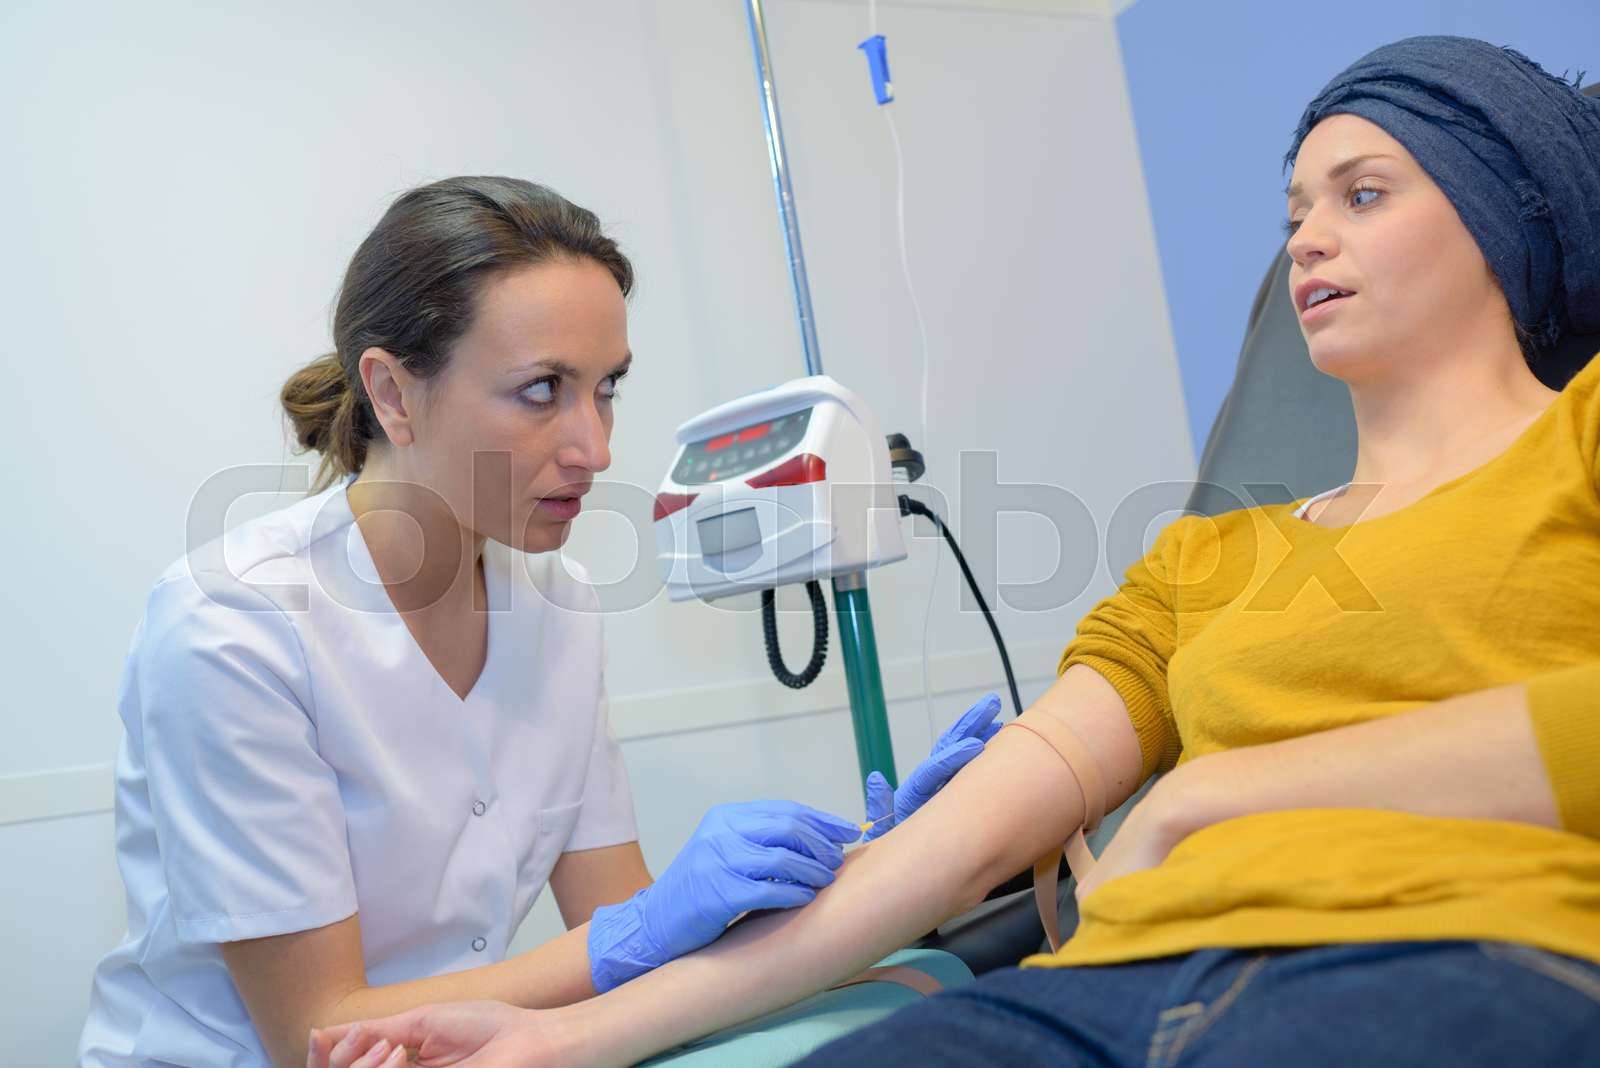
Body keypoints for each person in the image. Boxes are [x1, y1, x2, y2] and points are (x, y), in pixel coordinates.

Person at [311, 35, 1600, 1068]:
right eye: (1295, 208)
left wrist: (1219, 794)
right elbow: (955, 854)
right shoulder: (1209, 563)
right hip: (1100, 991)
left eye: (1363, 195)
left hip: (1456, 957)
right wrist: (564, 1041)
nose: (1306, 236)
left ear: (1507, 216)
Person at [76, 176, 1000, 1068]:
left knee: (916, 996)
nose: (596, 448)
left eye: (607, 388)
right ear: (394, 395)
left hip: (489, 1051)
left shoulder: (557, 608)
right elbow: (318, 1034)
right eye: (541, 390)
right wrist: (640, 929)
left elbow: (641, 946)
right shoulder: (234, 627)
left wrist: (868, 874)